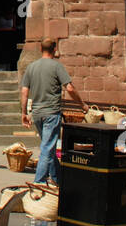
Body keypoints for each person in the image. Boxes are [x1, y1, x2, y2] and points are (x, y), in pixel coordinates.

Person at [20, 38, 82, 185]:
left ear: (41, 49)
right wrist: (82, 104)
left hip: (37, 114)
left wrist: (24, 113)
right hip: (51, 113)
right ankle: (39, 181)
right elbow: (70, 88)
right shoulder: (56, 66)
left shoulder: (31, 67)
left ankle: (57, 178)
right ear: (54, 49)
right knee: (47, 147)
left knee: (49, 146)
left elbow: (24, 92)